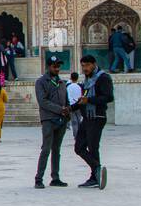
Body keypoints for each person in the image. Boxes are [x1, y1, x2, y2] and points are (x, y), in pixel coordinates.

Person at [72, 54, 114, 189]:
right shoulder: (87, 80)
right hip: (87, 117)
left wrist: (90, 100)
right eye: (83, 66)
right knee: (79, 147)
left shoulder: (103, 78)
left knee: (93, 147)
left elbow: (108, 97)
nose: (85, 68)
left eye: (87, 65)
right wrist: (71, 109)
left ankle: (95, 175)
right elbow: (83, 99)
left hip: (97, 117)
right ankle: (96, 170)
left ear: (94, 64)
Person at [34, 55, 70, 189]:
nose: (57, 69)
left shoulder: (61, 83)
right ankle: (39, 178)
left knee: (57, 149)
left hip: (61, 119)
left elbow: (66, 100)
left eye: (58, 66)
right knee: (46, 149)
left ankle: (55, 177)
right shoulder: (41, 82)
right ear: (49, 67)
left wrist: (67, 110)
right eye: (55, 66)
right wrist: (60, 109)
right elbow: (42, 101)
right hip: (48, 119)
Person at [66, 72, 84, 141]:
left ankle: (76, 136)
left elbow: (67, 96)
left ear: (71, 77)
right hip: (79, 105)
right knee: (79, 120)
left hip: (71, 106)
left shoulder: (68, 86)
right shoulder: (79, 86)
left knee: (74, 122)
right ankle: (80, 135)